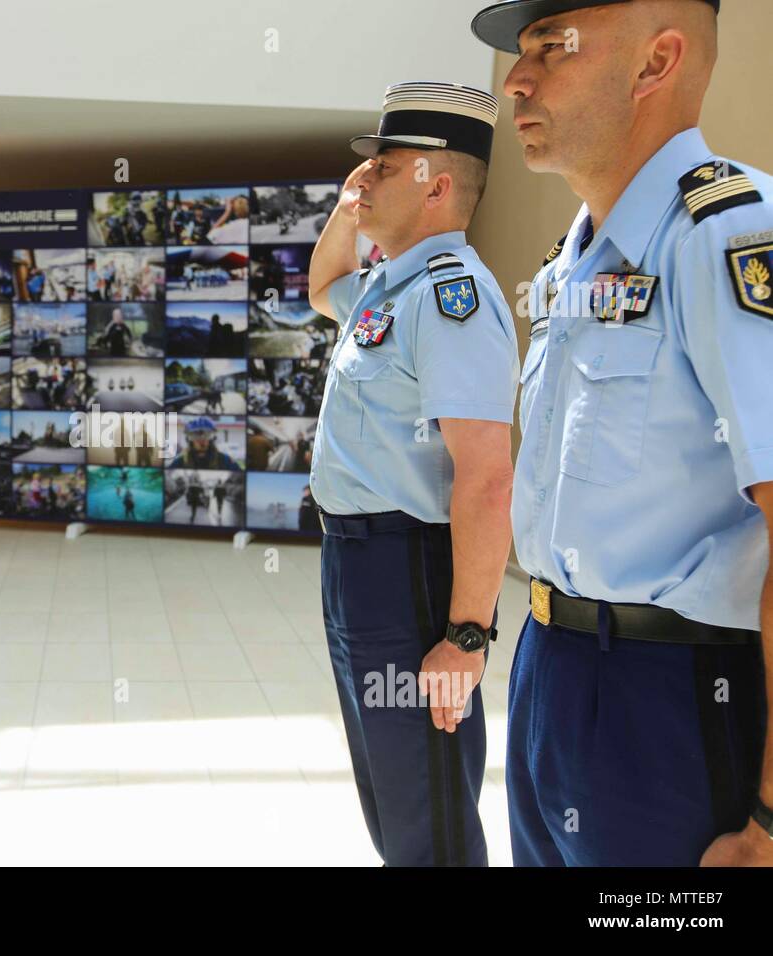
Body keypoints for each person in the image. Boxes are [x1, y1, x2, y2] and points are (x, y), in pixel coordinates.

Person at [471, 0, 773, 866]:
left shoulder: (730, 238)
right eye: (517, 55)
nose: (515, 81)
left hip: (674, 696)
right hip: (549, 667)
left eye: (549, 50)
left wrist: (770, 818)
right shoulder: (571, 263)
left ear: (656, 63)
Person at [308, 82, 518, 866]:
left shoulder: (451, 299)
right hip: (356, 567)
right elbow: (320, 287)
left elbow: (487, 477)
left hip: (412, 576)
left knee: (425, 797)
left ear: (435, 184)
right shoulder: (387, 287)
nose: (364, 181)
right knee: (389, 787)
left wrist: (466, 634)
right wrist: (347, 207)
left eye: (383, 168)